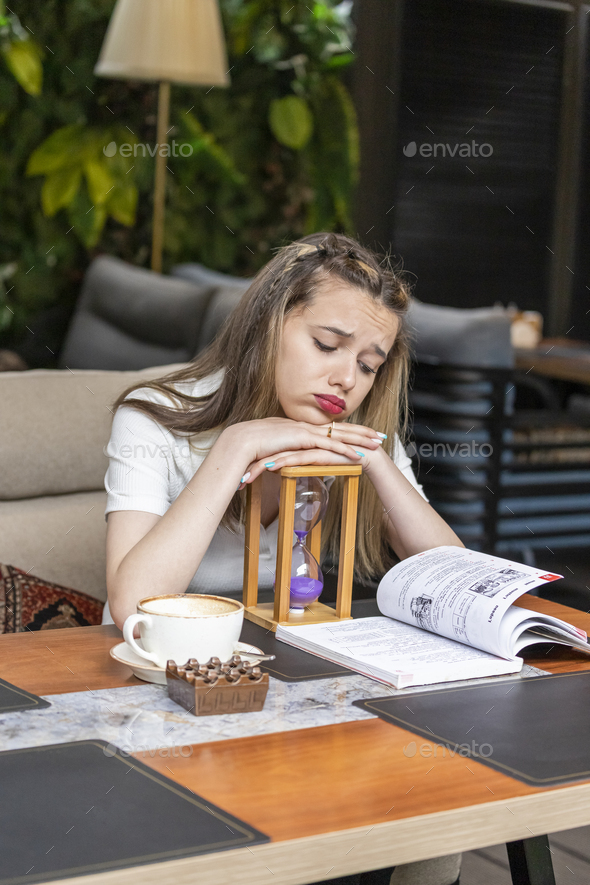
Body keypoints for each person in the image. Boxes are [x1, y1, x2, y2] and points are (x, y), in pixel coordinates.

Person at [104, 232, 462, 885]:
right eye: (327, 345)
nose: (345, 379)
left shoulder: (351, 435)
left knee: (384, 809)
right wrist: (236, 448)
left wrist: (377, 457)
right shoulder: (155, 420)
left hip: (294, 698)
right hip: (162, 699)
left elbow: (457, 581)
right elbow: (134, 606)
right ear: (269, 325)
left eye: (368, 363)